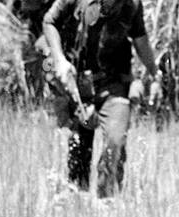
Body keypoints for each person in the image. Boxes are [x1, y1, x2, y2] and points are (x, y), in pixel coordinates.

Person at [40, 0, 160, 198]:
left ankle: (108, 203)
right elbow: (49, 22)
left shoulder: (131, 5)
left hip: (113, 84)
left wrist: (155, 73)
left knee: (115, 141)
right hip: (77, 82)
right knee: (79, 152)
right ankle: (77, 200)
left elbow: (140, 39)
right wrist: (59, 59)